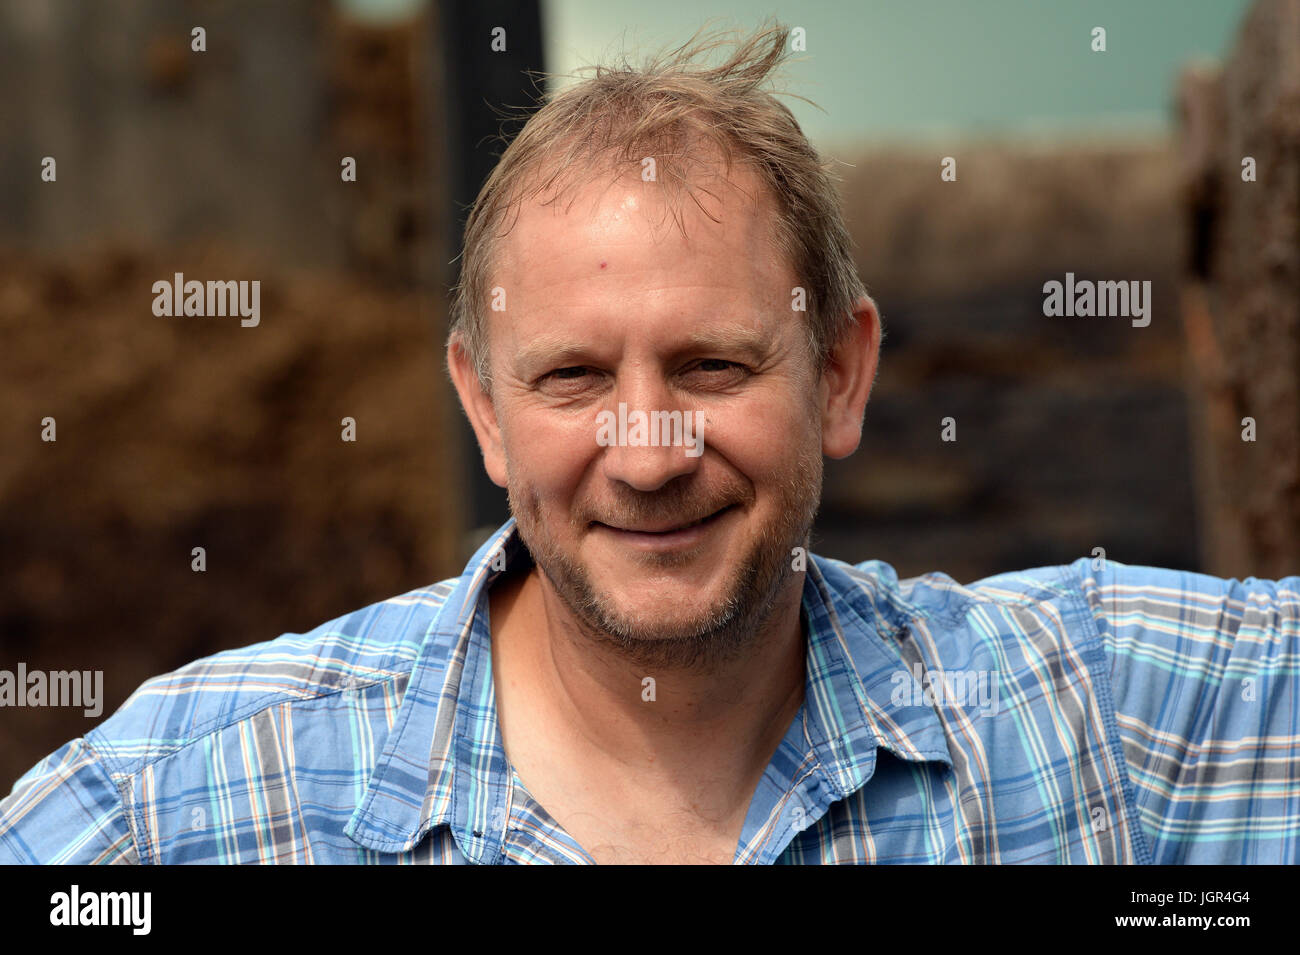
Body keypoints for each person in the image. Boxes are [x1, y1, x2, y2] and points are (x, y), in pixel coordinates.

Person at [3, 22, 1297, 865]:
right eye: (571, 378)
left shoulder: (1095, 724)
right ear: (485, 409)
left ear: (840, 375)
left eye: (712, 366)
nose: (648, 450)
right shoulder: (198, 804)